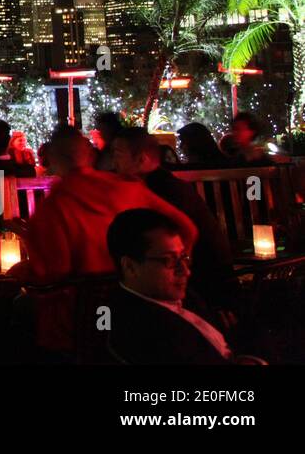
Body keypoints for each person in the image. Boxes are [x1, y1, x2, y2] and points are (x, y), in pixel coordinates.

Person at [22, 132, 197, 284]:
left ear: (52, 159)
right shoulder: (127, 188)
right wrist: (171, 269)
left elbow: (53, 272)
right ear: (91, 156)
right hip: (130, 291)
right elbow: (187, 228)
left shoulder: (55, 204)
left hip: (83, 304)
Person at [111, 128, 237, 312]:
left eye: (117, 154)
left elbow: (188, 236)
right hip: (209, 286)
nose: (113, 163)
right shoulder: (162, 184)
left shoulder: (160, 191)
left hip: (208, 294)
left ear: (141, 159)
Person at [104, 209, 234, 364]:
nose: (185, 271)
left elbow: (248, 330)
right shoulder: (135, 330)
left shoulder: (185, 294)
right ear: (130, 267)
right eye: (169, 260)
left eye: (183, 257)